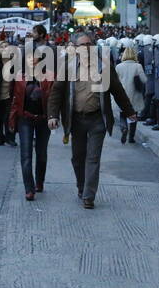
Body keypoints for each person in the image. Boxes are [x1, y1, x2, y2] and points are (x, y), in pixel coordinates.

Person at [47, 29, 136, 209]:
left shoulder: (104, 66)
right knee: (77, 158)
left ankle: (89, 196)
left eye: (89, 44)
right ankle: (81, 186)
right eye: (82, 45)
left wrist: (129, 111)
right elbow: (56, 92)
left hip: (97, 119)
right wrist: (53, 115)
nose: (86, 48)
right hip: (76, 120)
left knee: (93, 158)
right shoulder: (68, 65)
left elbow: (117, 90)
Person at [10, 40, 55, 201]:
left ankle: (40, 182)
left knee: (41, 154)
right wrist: (12, 120)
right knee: (26, 154)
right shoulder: (19, 77)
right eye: (29, 57)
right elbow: (15, 100)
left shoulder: (49, 76)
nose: (32, 60)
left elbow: (53, 99)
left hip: (43, 120)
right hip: (25, 119)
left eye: (35, 57)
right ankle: (29, 188)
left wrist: (53, 117)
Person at [0, 40, 18, 147]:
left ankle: (10, 138)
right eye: (2, 47)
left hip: (10, 96)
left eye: (6, 46)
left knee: (9, 117)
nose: (4, 48)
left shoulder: (15, 64)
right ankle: (0, 137)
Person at [115, 43, 147, 143]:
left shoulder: (119, 66)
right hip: (135, 94)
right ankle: (131, 138)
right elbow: (144, 79)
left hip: (122, 94)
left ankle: (124, 128)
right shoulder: (138, 66)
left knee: (122, 114)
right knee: (133, 115)